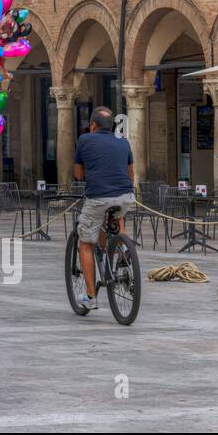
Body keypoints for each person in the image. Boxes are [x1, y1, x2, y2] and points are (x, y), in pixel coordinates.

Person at [72, 107, 136, 313]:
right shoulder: (123, 141)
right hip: (125, 196)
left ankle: (91, 296)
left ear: (93, 125)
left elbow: (78, 174)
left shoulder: (85, 140)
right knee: (117, 216)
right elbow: (131, 173)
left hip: (98, 197)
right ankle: (122, 250)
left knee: (85, 243)